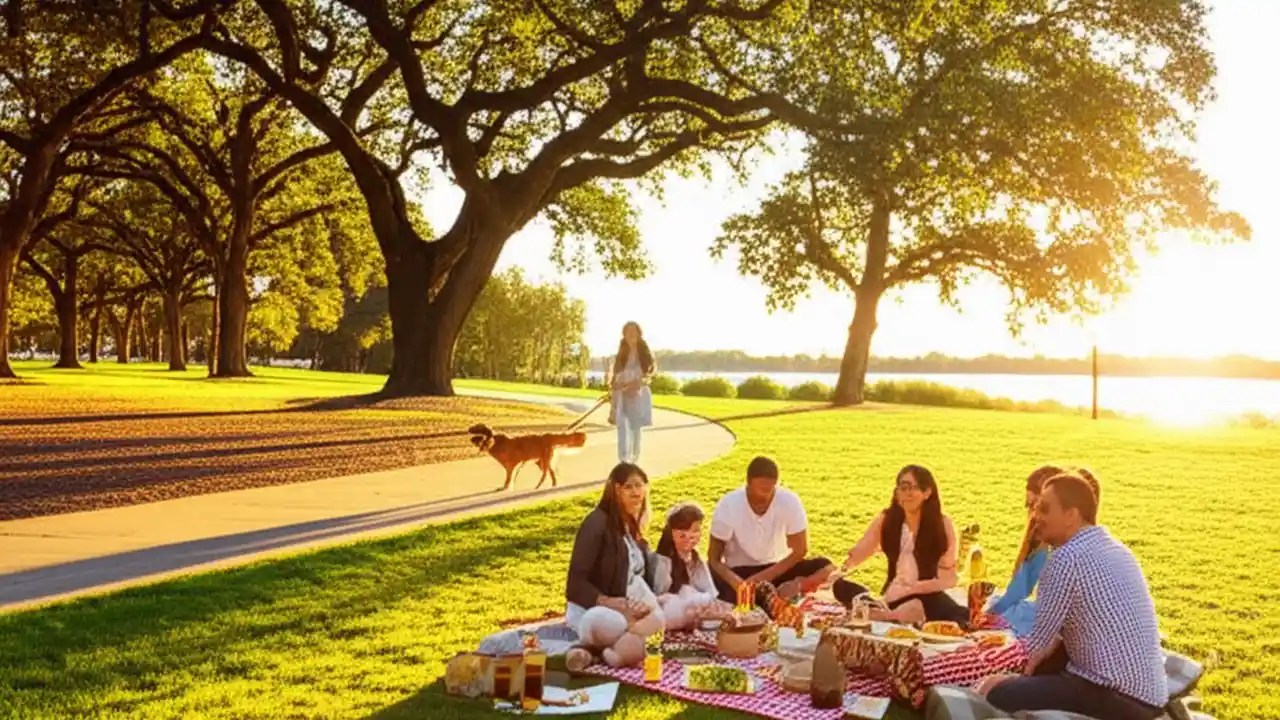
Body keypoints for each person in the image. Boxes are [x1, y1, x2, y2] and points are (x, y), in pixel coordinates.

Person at [977, 473, 1166, 719]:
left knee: (997, 693)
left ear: (1071, 515)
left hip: (1111, 696)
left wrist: (1001, 675)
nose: (1035, 517)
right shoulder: (1118, 550)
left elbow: (1036, 647)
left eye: (1044, 509)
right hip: (1151, 697)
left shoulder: (1065, 559)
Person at [832, 464, 968, 626]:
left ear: (927, 492)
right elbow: (862, 549)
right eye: (902, 488)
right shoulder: (887, 519)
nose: (907, 494)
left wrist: (913, 589)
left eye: (913, 488)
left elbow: (948, 580)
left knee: (961, 615)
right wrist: (841, 569)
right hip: (892, 595)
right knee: (841, 588)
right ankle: (889, 614)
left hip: (926, 594)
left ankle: (883, 615)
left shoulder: (942, 525)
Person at [563, 463, 664, 670]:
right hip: (597, 610)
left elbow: (636, 577)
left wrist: (641, 607)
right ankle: (616, 648)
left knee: (661, 619)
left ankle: (596, 653)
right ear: (616, 490)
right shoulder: (596, 524)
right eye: (629, 487)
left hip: (628, 610)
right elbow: (575, 585)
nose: (636, 493)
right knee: (603, 621)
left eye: (640, 486)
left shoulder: (629, 524)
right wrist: (610, 602)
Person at [707, 456, 836, 606]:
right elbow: (714, 559)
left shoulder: (789, 501)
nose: (766, 496)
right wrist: (738, 584)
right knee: (712, 581)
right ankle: (770, 599)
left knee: (824, 565)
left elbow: (800, 550)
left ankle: (779, 594)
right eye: (761, 489)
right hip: (740, 573)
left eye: (770, 490)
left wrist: (763, 578)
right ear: (748, 484)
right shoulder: (729, 504)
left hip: (778, 569)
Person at [990, 465, 1102, 635]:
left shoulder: (1070, 552)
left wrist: (991, 615)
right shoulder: (1048, 540)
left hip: (1070, 627)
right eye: (1029, 507)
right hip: (1056, 618)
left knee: (1009, 614)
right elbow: (1019, 588)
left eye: (1038, 506)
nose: (1034, 515)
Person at [652, 501, 727, 629]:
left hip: (697, 609)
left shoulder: (695, 559)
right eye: (684, 532)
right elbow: (659, 598)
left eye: (696, 530)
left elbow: (710, 591)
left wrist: (703, 604)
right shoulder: (663, 561)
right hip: (672, 612)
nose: (690, 536)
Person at [608, 321, 655, 464]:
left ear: (639, 334)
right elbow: (615, 377)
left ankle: (634, 459)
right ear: (624, 335)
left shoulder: (645, 354)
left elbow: (648, 376)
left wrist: (636, 383)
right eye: (628, 331)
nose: (631, 334)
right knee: (622, 425)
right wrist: (615, 387)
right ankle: (623, 459)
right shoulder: (621, 354)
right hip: (621, 394)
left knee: (635, 428)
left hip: (638, 394)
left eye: (634, 331)